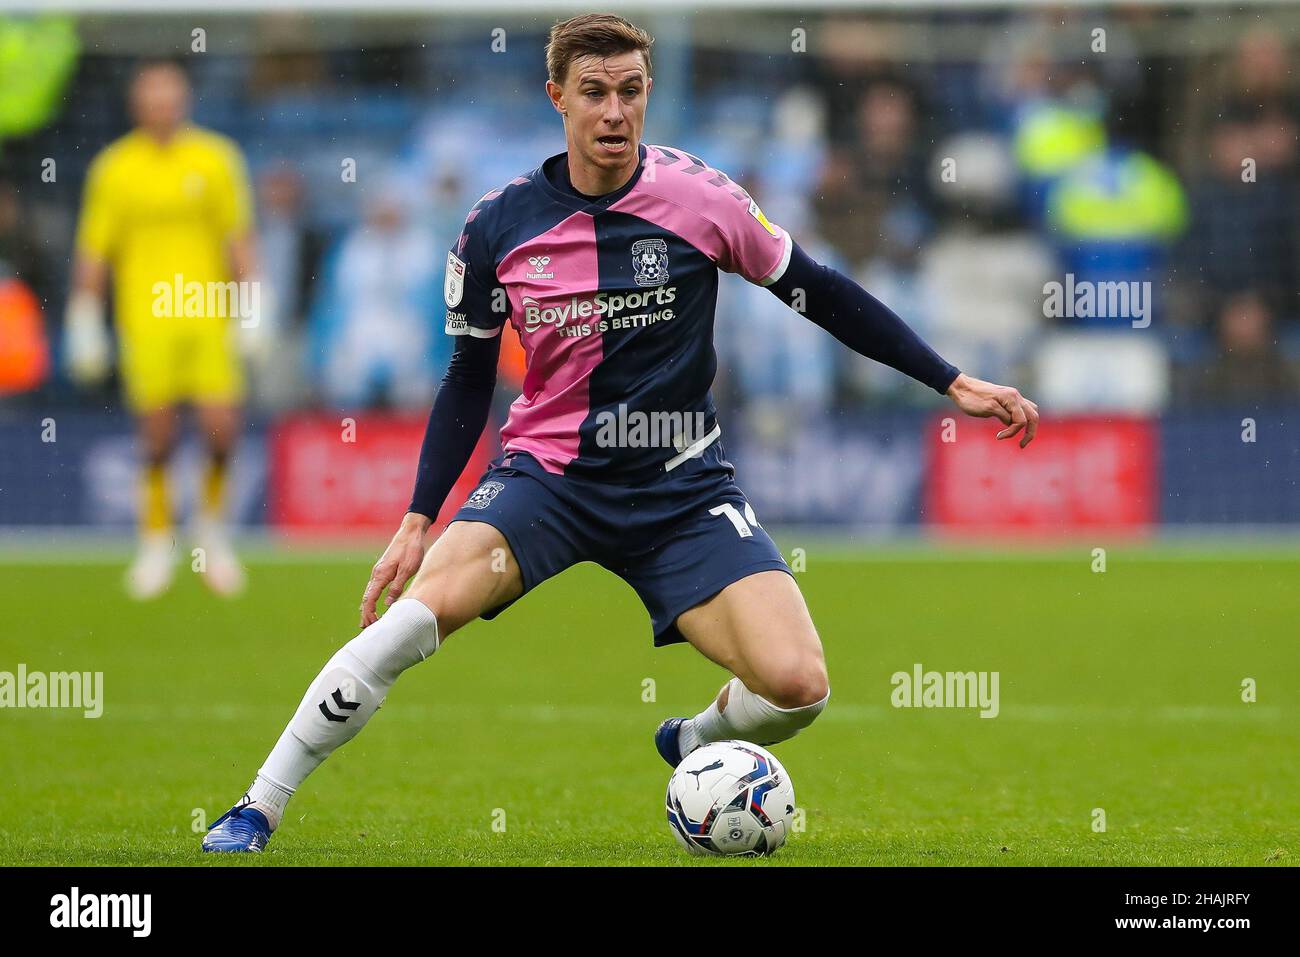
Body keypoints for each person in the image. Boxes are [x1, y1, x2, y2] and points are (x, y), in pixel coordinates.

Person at [203, 14, 1039, 853]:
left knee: (799, 686)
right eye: (595, 92)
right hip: (547, 481)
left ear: (647, 94)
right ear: (557, 97)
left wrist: (949, 379)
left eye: (631, 91)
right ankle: (257, 806)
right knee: (409, 624)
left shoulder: (703, 198)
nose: (614, 112)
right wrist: (420, 514)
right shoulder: (496, 226)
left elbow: (816, 289)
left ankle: (695, 739)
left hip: (681, 487)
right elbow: (466, 378)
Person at [66, 61, 264, 599]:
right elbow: (95, 249)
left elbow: (238, 237)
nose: (161, 108)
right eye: (152, 99)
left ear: (184, 102)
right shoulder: (115, 167)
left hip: (209, 315)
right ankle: (156, 542)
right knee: (156, 434)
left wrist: (253, 305)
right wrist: (84, 317)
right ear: (137, 105)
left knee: (222, 426)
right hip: (146, 319)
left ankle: (212, 534)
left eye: (169, 98)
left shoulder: (216, 158)